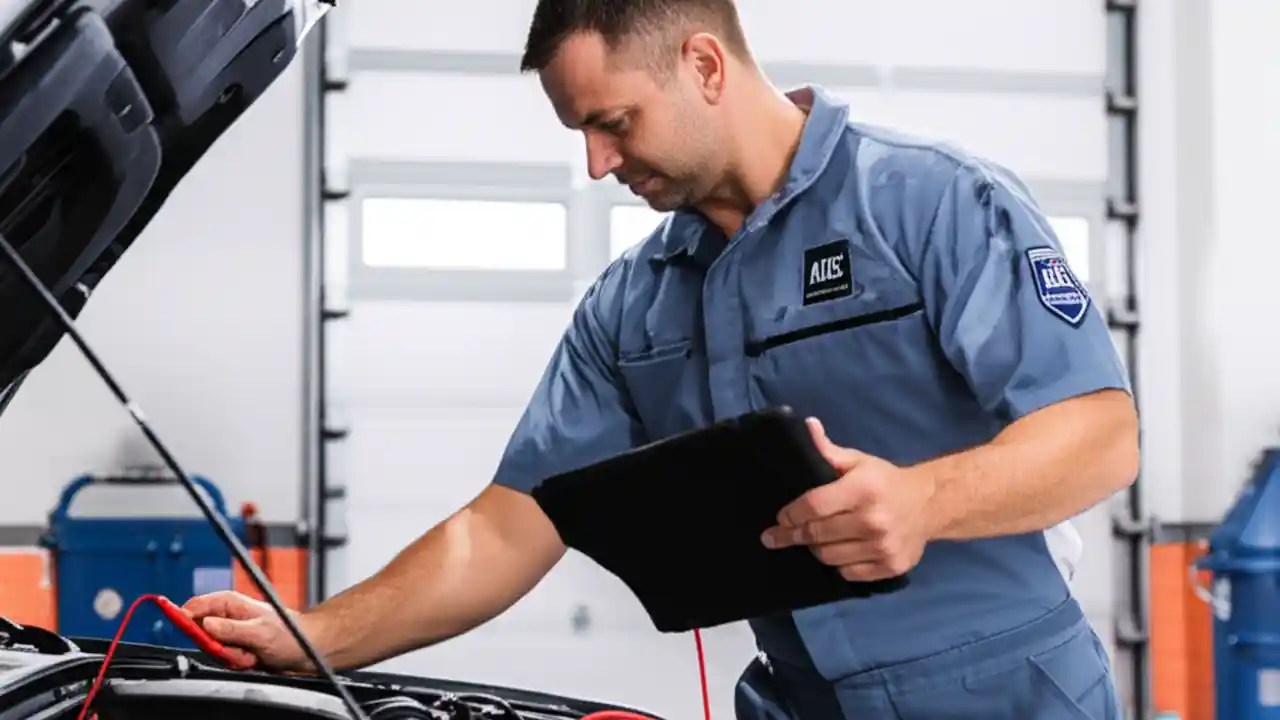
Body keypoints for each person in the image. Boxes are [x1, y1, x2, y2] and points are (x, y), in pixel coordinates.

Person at [184, 1, 1140, 717]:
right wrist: (313, 636)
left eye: (615, 122)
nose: (598, 164)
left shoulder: (931, 204)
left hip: (1007, 693)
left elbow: (1100, 433)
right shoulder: (631, 302)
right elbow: (510, 526)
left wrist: (923, 502)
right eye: (581, 134)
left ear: (704, 64)